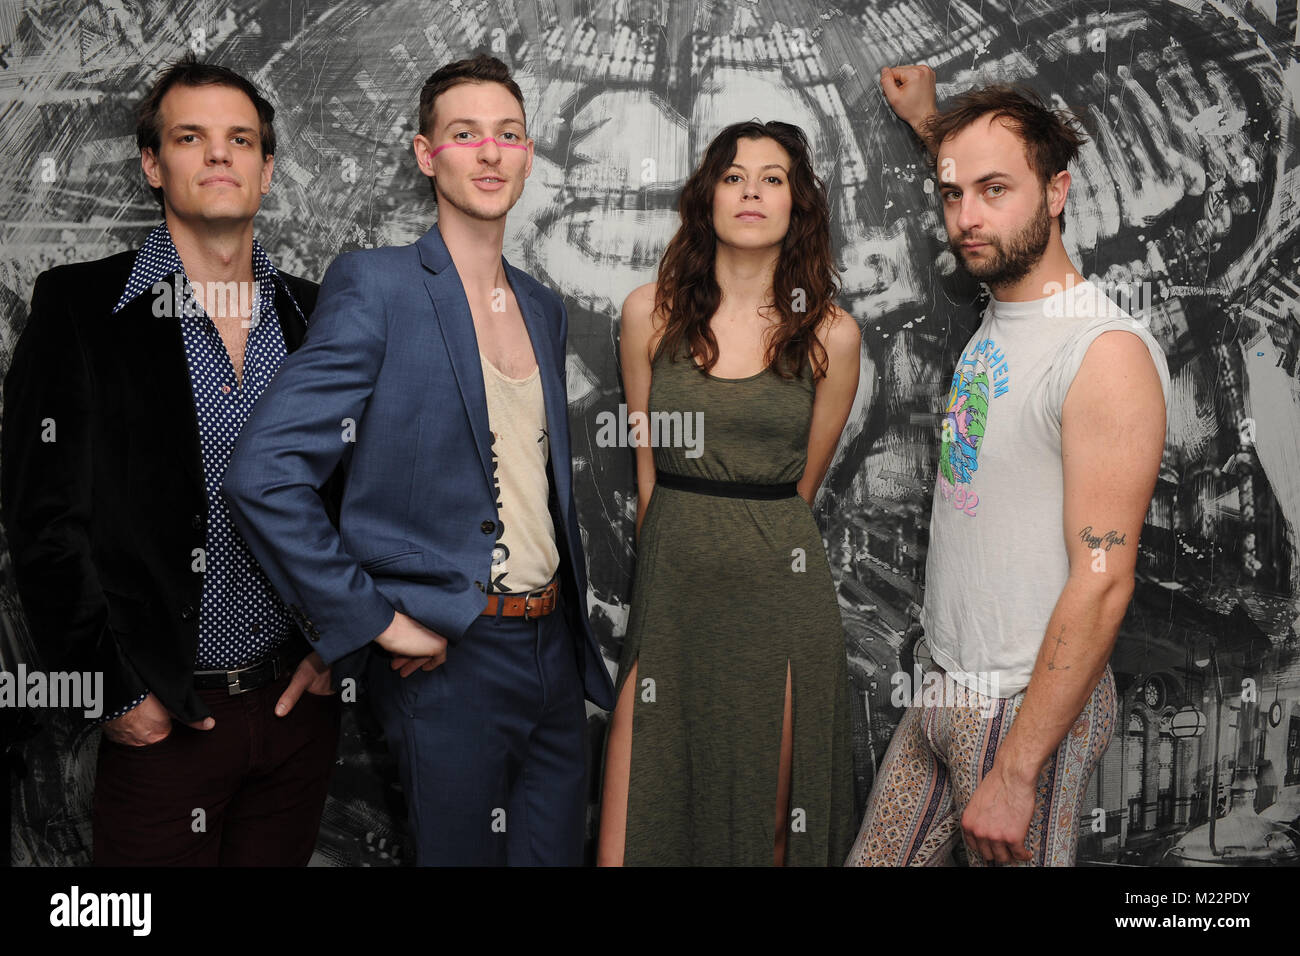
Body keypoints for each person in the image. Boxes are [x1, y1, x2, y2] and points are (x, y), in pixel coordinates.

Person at [222, 53, 616, 866]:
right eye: (464, 134)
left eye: (508, 135)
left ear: (529, 154)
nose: (489, 153)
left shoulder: (541, 305)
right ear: (424, 153)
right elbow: (264, 473)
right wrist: (372, 621)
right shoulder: (379, 286)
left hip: (552, 652)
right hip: (449, 660)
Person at [1, 55, 339, 866]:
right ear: (153, 164)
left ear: (267, 169)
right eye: (191, 137)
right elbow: (42, 522)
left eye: (241, 139)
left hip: (297, 712)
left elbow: (360, 497)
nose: (219, 155)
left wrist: (339, 647)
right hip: (166, 719)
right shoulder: (79, 308)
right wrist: (113, 688)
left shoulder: (319, 313)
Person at [850, 69, 1170, 865]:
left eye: (995, 190)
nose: (966, 217)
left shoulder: (1102, 355)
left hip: (1020, 708)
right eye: (952, 194)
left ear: (1057, 192)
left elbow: (1103, 580)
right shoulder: (1007, 305)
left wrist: (1020, 770)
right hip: (945, 683)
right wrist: (933, 128)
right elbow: (984, 186)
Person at [598, 120, 862, 866]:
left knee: (772, 822)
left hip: (780, 595)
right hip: (674, 589)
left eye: (773, 177)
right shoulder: (647, 315)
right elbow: (648, 478)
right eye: (734, 175)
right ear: (706, 197)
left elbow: (799, 487)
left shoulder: (831, 336)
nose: (751, 190)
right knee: (634, 819)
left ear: (797, 203)